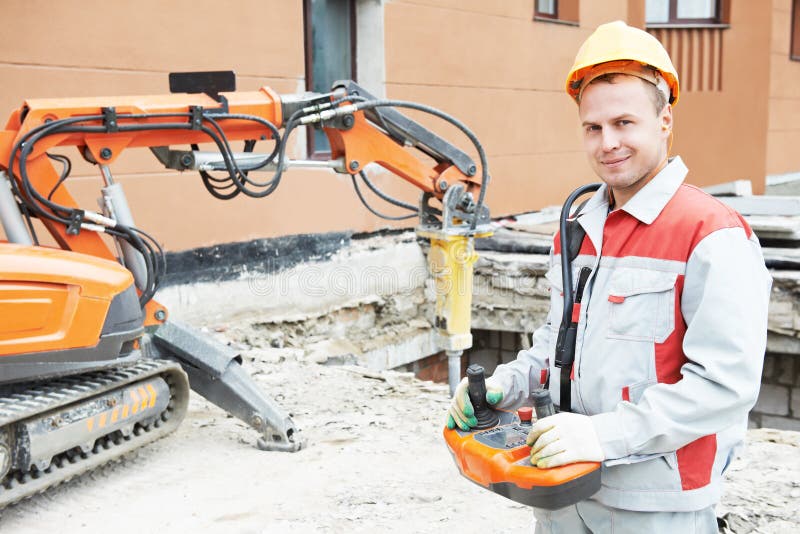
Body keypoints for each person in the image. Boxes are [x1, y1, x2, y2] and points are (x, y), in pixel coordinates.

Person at [446, 20, 772, 533]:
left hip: (657, 505)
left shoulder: (711, 234)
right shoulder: (576, 231)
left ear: (665, 120)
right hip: (562, 489)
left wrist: (603, 436)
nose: (608, 143)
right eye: (593, 128)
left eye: (625, 123)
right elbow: (556, 347)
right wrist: (504, 386)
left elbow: (724, 387)